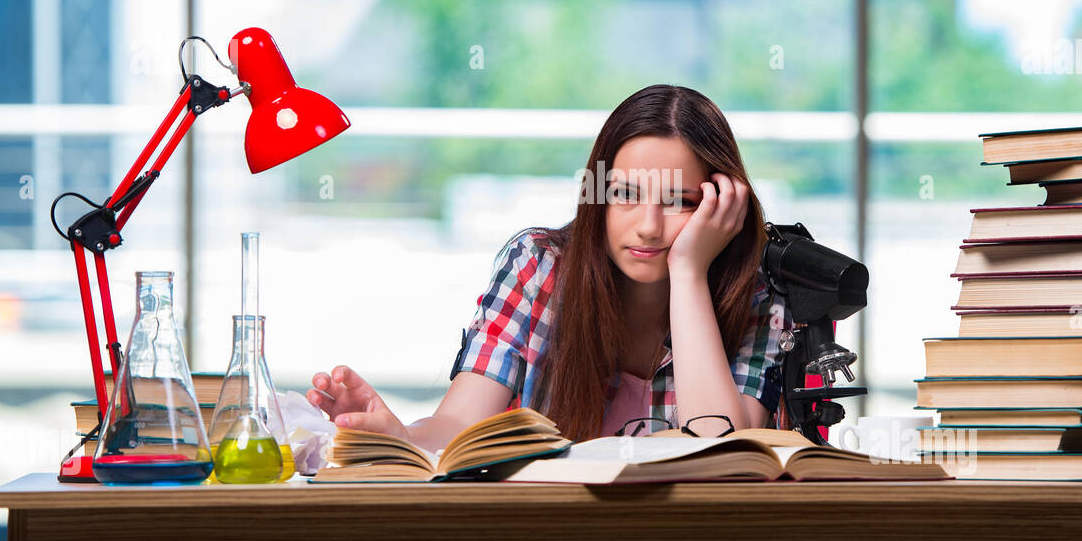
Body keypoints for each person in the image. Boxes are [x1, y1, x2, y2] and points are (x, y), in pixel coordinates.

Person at [306, 83, 793, 449]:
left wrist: (689, 274)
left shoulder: (758, 298)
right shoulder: (539, 268)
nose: (647, 227)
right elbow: (458, 427)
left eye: (678, 201)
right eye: (624, 195)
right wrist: (400, 439)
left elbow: (722, 450)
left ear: (721, 205)